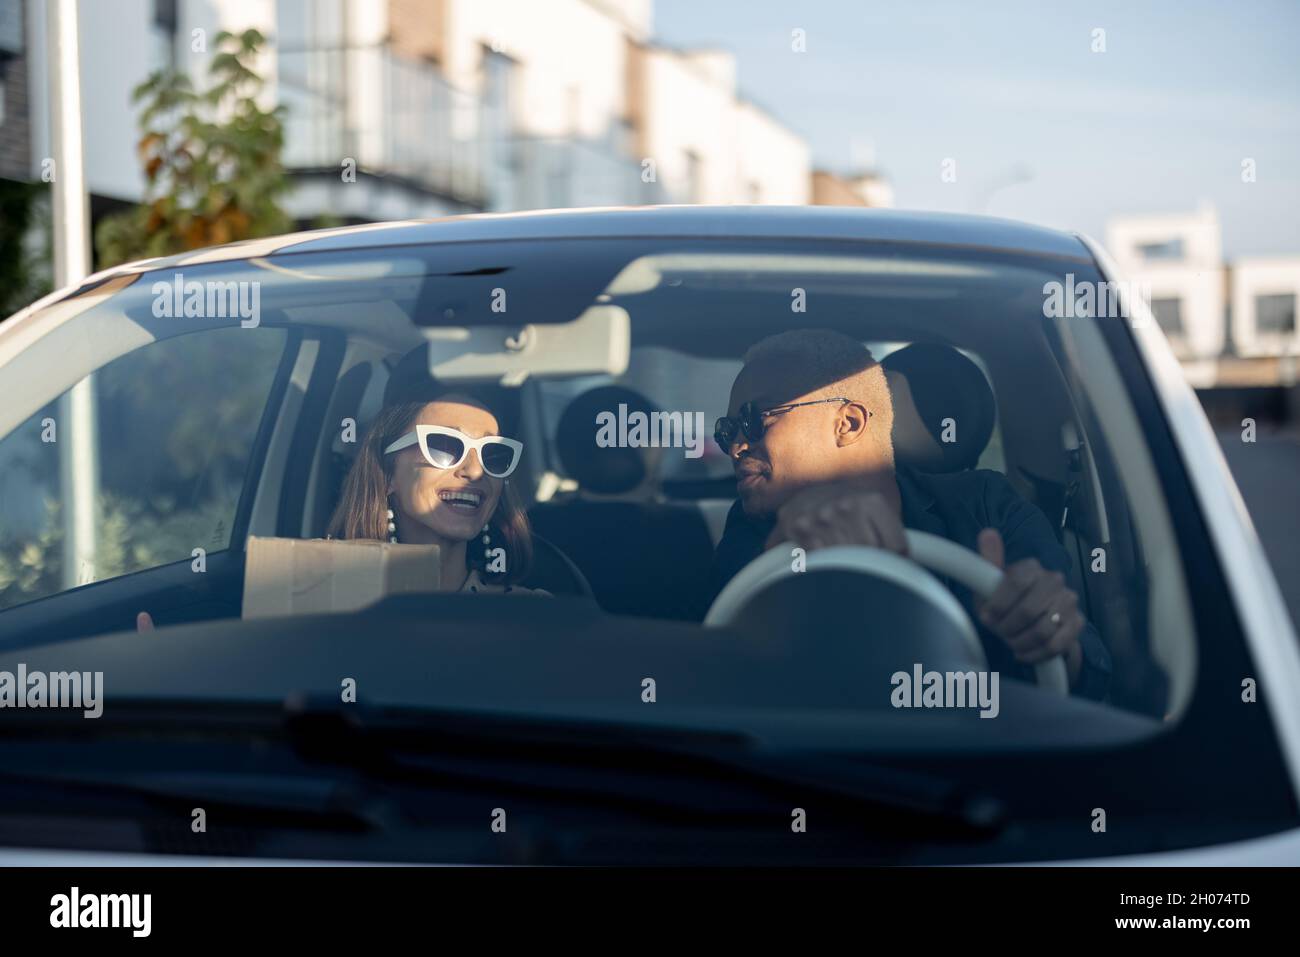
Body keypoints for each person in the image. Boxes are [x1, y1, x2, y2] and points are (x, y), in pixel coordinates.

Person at [708, 328, 1111, 699]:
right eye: (727, 430)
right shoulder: (753, 526)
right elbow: (741, 678)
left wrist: (1047, 634)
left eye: (753, 420)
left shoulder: (987, 506)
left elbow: (1087, 677)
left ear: (848, 423)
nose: (735, 447)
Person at [326, 382, 545, 596]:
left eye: (493, 455)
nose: (475, 471)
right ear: (387, 471)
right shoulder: (332, 603)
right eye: (444, 446)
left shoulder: (534, 615)